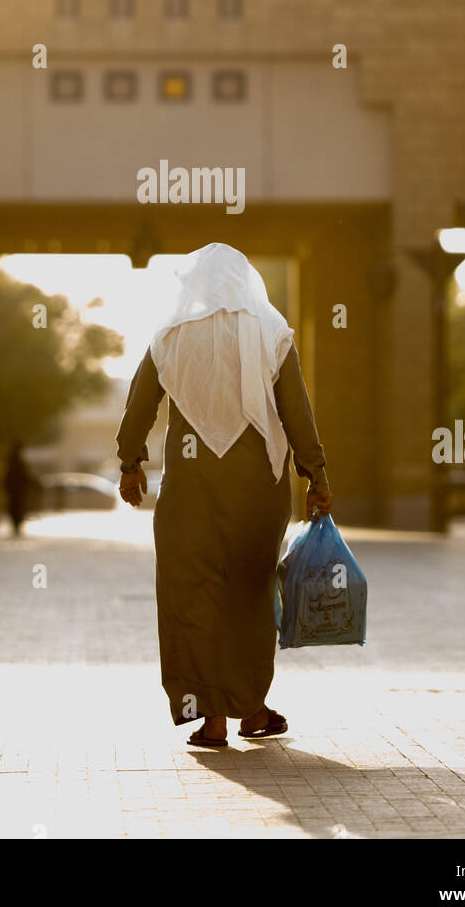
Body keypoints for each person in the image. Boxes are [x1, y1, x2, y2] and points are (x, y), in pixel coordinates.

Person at [116, 242, 333, 750]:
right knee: (251, 594)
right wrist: (316, 475)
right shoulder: (272, 331)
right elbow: (296, 413)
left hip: (191, 489)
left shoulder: (169, 335)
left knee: (191, 595)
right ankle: (253, 710)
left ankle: (210, 717)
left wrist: (130, 464)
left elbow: (139, 404)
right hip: (259, 485)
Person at [3, 442, 39, 536]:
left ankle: (16, 524)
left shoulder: (12, 461)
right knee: (17, 506)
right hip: (17, 489)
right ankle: (16, 523)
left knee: (15, 506)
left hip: (15, 489)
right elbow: (24, 476)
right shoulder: (17, 462)